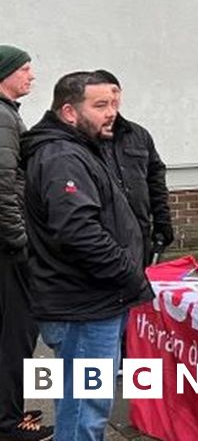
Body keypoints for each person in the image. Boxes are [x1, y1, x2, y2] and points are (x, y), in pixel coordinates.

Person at [21, 71, 153, 441]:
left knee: (80, 404)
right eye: (100, 105)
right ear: (69, 112)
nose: (111, 112)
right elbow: (79, 232)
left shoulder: (78, 148)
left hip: (90, 301)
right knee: (85, 410)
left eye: (114, 103)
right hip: (84, 305)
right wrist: (131, 275)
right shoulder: (63, 156)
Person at [0, 46, 52, 441]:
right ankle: (9, 421)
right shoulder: (2, 118)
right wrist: (20, 241)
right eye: (25, 69)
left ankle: (10, 409)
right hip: (8, 248)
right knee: (15, 333)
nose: (32, 76)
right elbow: (3, 188)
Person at [92, 70, 173, 266]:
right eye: (104, 96)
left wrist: (162, 219)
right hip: (103, 236)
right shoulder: (85, 136)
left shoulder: (138, 135)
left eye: (115, 92)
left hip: (140, 231)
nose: (112, 99)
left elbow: (155, 179)